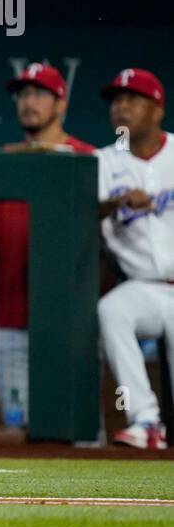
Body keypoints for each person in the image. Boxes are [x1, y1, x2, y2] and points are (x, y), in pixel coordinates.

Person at [0, 63, 94, 429]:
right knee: (16, 430)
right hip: (11, 318)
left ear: (61, 105)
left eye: (39, 93)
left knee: (79, 428)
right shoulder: (3, 164)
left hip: (73, 321)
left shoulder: (87, 159)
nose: (28, 102)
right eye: (22, 94)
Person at [95, 68, 173, 450]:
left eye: (132, 100)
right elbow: (78, 210)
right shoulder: (104, 163)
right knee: (112, 310)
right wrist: (116, 202)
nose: (121, 107)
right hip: (142, 286)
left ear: (157, 110)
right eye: (116, 101)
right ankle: (145, 420)